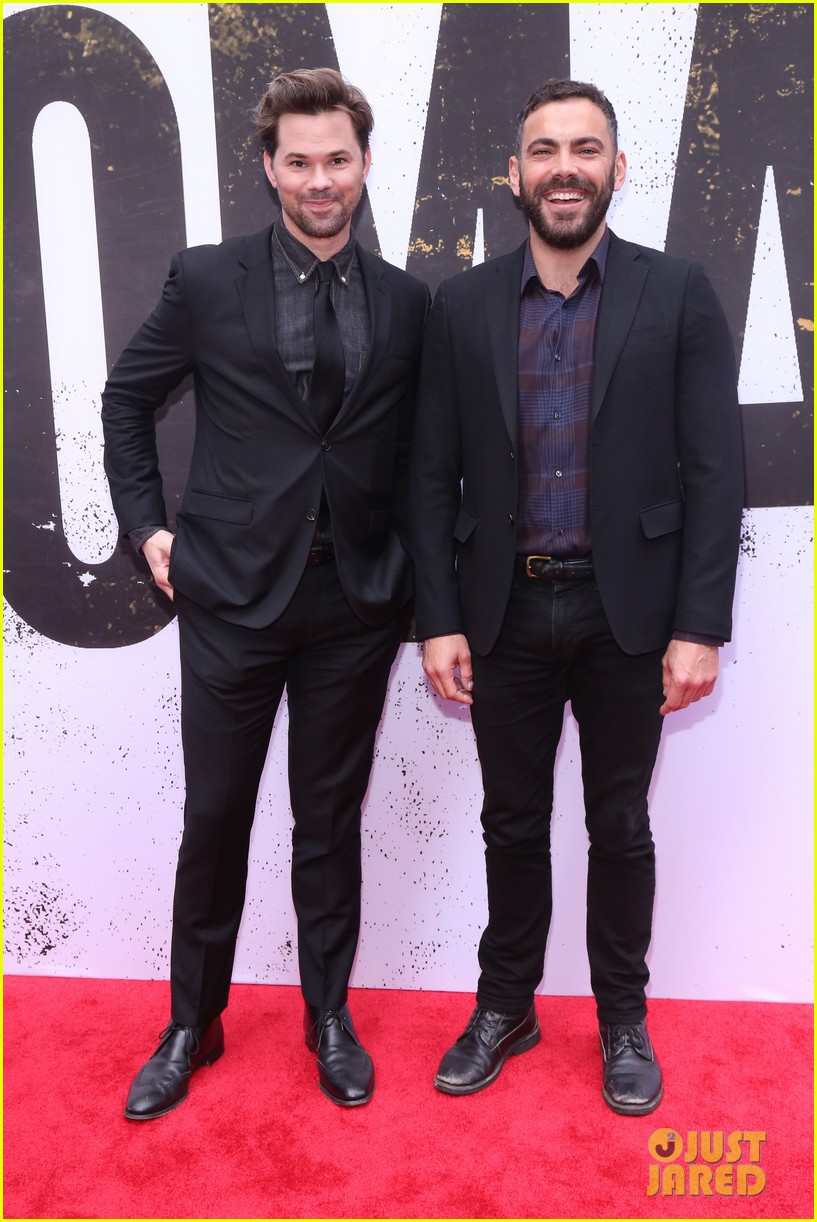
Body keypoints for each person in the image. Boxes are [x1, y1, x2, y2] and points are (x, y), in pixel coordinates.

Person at [410, 79, 743, 1115]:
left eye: (584, 148)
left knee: (620, 827)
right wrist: (439, 617)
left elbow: (713, 470)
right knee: (509, 823)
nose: (564, 166)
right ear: (513, 174)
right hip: (502, 612)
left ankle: (622, 1019)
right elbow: (427, 474)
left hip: (626, 617)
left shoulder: (676, 290)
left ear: (615, 168)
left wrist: (698, 627)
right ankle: (505, 1005)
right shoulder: (458, 303)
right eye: (544, 149)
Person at [102, 68, 429, 1117]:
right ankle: (192, 1022)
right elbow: (127, 400)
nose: (321, 178)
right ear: (268, 167)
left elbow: (426, 455)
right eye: (300, 160)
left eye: (338, 159)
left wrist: (417, 588)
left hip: (352, 609)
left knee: (328, 823)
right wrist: (148, 527)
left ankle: (327, 1020)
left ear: (365, 164)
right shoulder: (207, 280)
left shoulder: (409, 301)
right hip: (232, 603)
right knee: (216, 819)